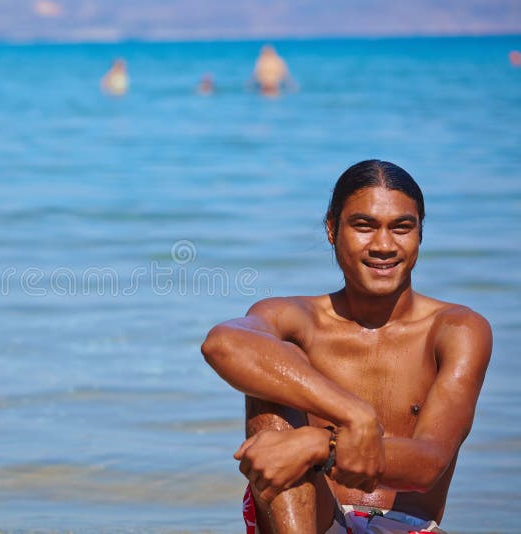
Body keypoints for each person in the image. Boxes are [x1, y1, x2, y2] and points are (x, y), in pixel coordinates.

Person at [201, 160, 492, 534]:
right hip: (312, 519)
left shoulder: (455, 328)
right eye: (364, 226)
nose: (384, 245)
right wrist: (355, 415)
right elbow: (222, 344)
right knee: (273, 368)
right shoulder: (296, 318)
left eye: (402, 227)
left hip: (407, 527)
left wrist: (320, 445)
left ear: (420, 232)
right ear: (331, 229)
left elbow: (429, 464)